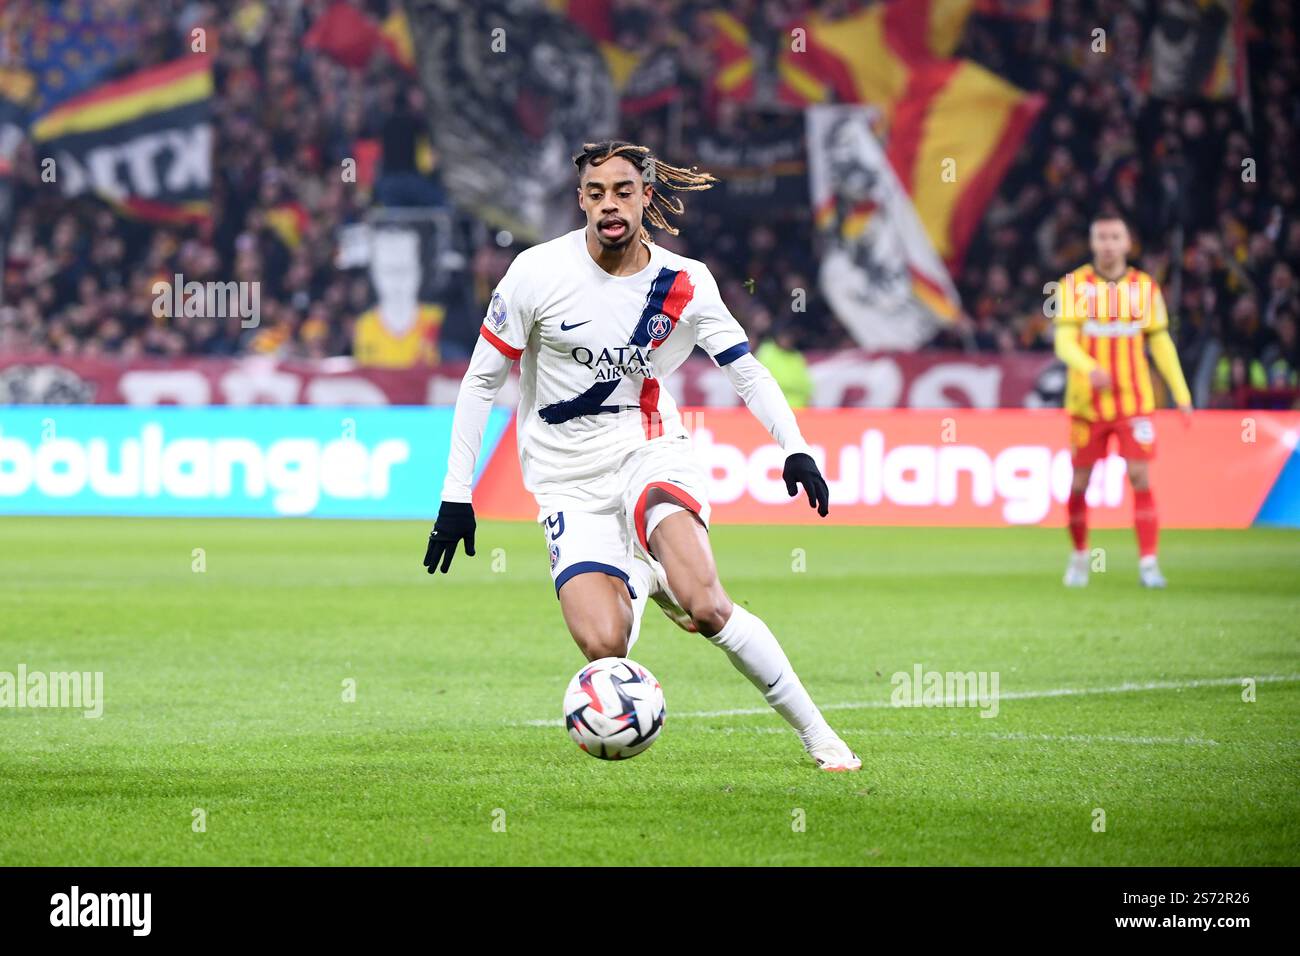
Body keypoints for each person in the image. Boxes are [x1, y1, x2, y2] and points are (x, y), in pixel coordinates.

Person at [423, 140, 860, 771]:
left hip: (649, 451)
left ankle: (821, 739)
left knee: (707, 605)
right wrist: (456, 494)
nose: (609, 205)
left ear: (646, 197)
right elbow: (480, 382)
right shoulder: (536, 273)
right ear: (580, 200)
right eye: (596, 193)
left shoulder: (685, 281)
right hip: (565, 479)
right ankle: (640, 573)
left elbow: (745, 372)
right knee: (605, 645)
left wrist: (795, 448)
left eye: (623, 191)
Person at [1054, 213, 1193, 589]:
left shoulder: (1145, 288)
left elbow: (1160, 342)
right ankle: (1081, 557)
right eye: (1101, 237)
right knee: (1080, 482)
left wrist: (1181, 393)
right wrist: (1089, 366)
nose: (1108, 244)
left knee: (1139, 475)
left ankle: (1148, 564)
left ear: (1127, 243)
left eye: (1115, 237)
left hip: (1133, 403)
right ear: (1092, 242)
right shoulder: (1073, 285)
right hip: (1088, 404)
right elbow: (1063, 341)